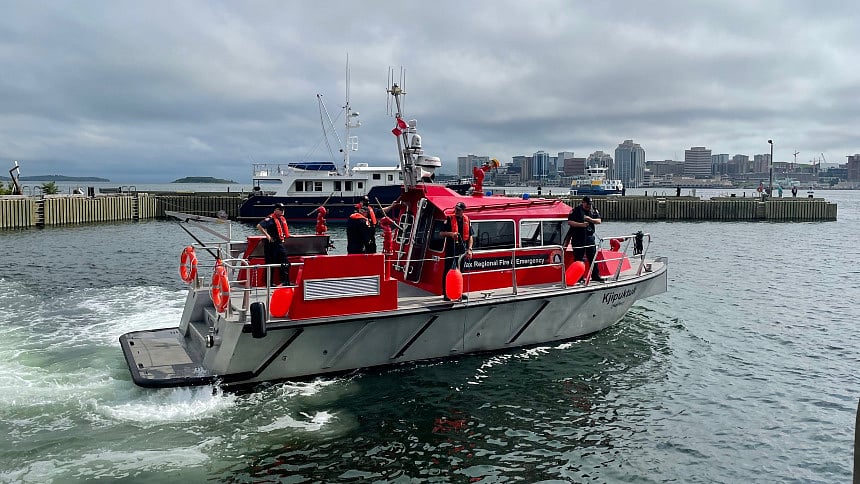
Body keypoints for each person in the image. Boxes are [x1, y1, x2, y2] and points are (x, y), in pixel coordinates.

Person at [439, 201, 474, 300]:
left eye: (459, 210)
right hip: (451, 249)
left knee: (460, 271)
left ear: (463, 210)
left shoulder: (467, 220)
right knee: (448, 271)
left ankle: (458, 292)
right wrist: (451, 234)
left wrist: (469, 249)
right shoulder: (449, 219)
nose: (456, 211)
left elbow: (470, 237)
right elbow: (441, 233)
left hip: (462, 250)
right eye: (456, 209)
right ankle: (446, 292)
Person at [564, 196, 603, 282]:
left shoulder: (593, 210)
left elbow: (599, 221)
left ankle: (595, 276)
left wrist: (590, 220)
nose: (589, 206)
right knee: (579, 258)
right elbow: (570, 222)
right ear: (583, 202)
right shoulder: (576, 210)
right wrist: (581, 225)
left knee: (592, 257)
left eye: (590, 204)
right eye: (587, 204)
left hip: (589, 237)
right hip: (578, 237)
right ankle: (579, 277)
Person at [256, 203, 291, 285]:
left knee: (285, 262)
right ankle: (269, 283)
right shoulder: (270, 218)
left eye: (283, 209)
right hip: (271, 244)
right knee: (270, 263)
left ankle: (285, 281)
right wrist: (267, 236)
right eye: (281, 209)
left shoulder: (281, 219)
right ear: (275, 210)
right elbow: (259, 226)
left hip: (279, 244)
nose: (283, 211)